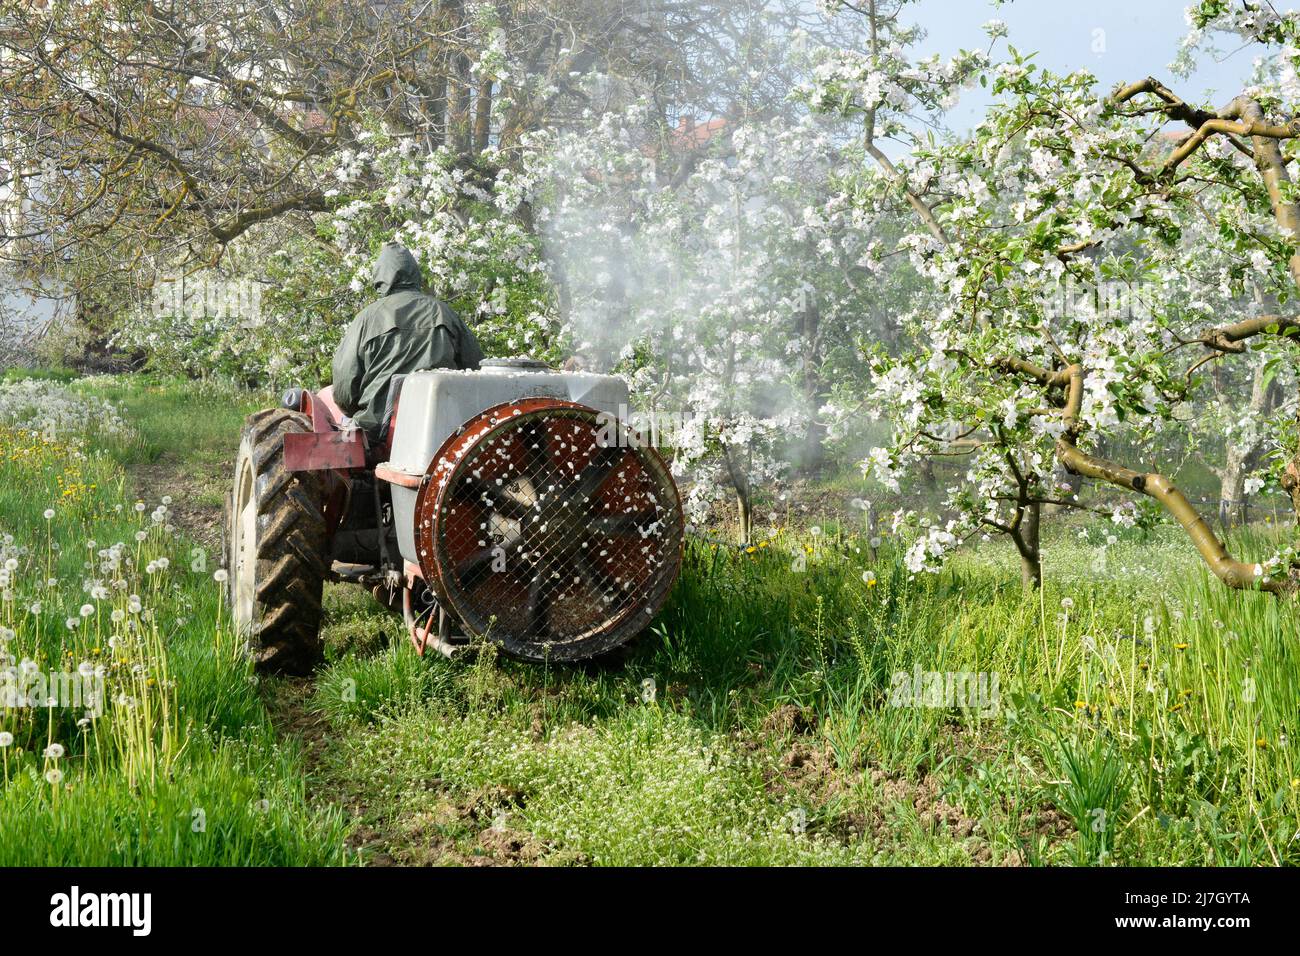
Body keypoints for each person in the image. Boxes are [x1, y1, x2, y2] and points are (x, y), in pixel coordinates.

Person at [331, 242, 484, 440]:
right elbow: (476, 370)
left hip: (378, 432)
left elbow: (344, 389)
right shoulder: (443, 312)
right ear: (415, 275)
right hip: (441, 429)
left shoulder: (367, 318)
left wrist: (359, 412)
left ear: (379, 277)